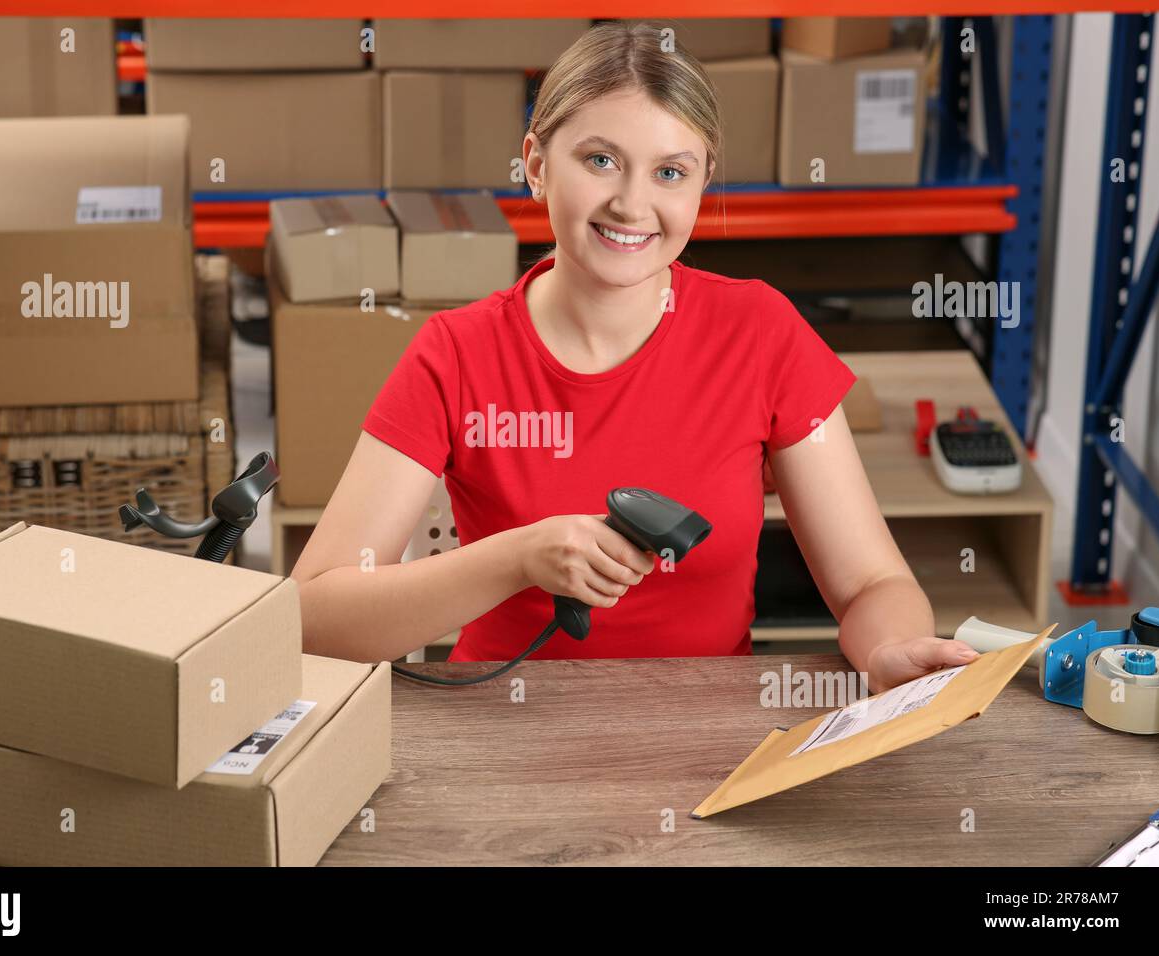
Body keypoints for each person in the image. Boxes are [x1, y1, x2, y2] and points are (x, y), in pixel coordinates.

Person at [291, 21, 979, 692]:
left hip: (704, 738)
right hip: (501, 737)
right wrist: (518, 558)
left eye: (670, 172)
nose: (631, 204)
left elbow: (871, 583)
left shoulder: (760, 330)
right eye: (599, 161)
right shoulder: (455, 353)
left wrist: (888, 651)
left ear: (703, 181)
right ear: (535, 165)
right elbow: (314, 615)